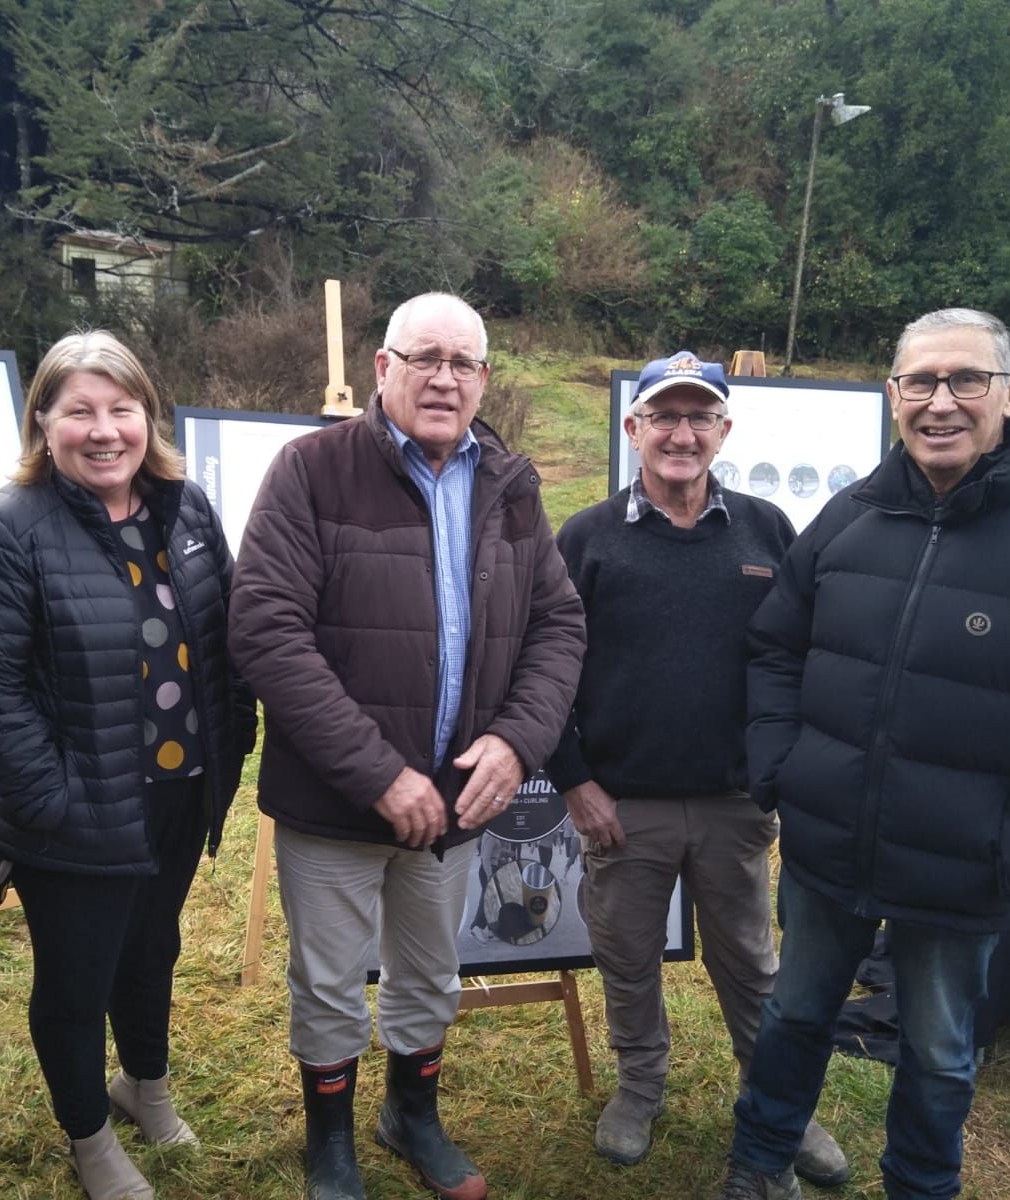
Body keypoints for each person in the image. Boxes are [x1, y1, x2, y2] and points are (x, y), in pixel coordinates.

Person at [717, 309, 1010, 1200]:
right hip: (826, 846)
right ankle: (758, 1165)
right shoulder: (848, 517)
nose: (941, 402)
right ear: (893, 395)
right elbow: (775, 647)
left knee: (936, 1052)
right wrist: (783, 770)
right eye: (920, 381)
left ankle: (921, 1187)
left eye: (966, 379)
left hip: (966, 869)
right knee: (796, 1014)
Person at [229, 292, 586, 1200]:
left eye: (463, 363)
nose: (443, 378)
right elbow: (268, 631)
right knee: (329, 981)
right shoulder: (311, 470)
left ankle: (411, 1116)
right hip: (336, 801)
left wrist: (516, 744)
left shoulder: (510, 483)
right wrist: (379, 773)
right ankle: (331, 1144)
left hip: (459, 804)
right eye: (422, 357)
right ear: (381, 368)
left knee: (431, 971)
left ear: (484, 380)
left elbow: (558, 625)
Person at [0, 331, 256, 1200]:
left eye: (121, 408)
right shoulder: (7, 529)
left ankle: (144, 1087)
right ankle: (89, 1136)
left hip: (179, 790)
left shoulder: (185, 507)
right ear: (42, 421)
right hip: (74, 811)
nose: (104, 429)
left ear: (146, 416)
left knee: (152, 948)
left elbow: (226, 638)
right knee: (76, 981)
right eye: (78, 410)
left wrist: (230, 745)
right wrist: (49, 797)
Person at [545, 351, 847, 1186]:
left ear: (724, 431)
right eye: (664, 417)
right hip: (622, 806)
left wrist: (776, 771)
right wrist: (575, 781)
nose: (682, 434)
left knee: (751, 962)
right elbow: (546, 668)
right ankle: (640, 1085)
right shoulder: (587, 538)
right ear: (634, 429)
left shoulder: (766, 531)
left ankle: (776, 1099)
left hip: (732, 803)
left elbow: (797, 658)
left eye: (699, 417)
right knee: (627, 955)